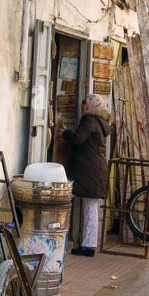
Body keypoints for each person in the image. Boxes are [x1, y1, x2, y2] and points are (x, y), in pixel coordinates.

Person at [60, 93, 111, 256]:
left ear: (90, 106)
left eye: (84, 103)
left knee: (65, 199)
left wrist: (65, 133)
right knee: (91, 207)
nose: (82, 106)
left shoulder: (89, 120)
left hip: (89, 170)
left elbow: (78, 139)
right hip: (96, 169)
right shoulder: (102, 122)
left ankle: (62, 238)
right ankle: (88, 244)